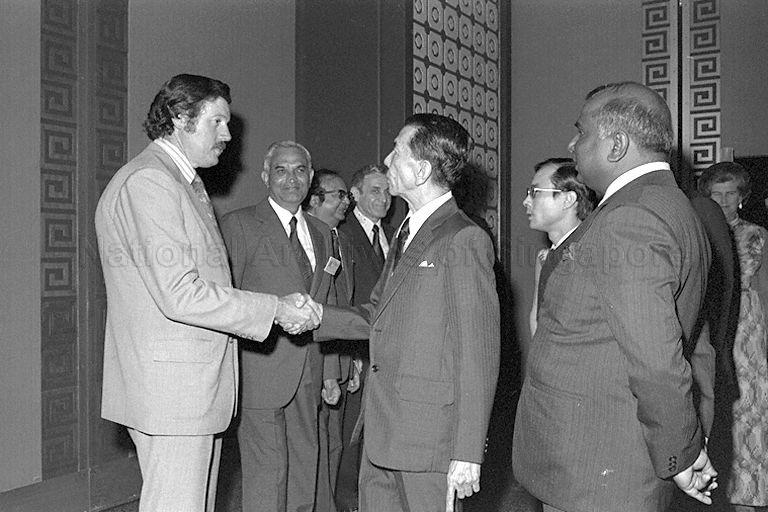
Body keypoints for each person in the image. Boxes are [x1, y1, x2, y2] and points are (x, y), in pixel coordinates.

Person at [94, 74, 319, 512]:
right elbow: (182, 293)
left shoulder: (179, 182)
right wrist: (274, 309)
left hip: (188, 391)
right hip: (173, 392)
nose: (228, 134)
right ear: (180, 119)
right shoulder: (150, 183)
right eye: (216, 122)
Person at [513, 81, 717, 512]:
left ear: (617, 144)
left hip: (597, 468)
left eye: (581, 132)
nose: (572, 144)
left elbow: (657, 358)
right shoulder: (666, 204)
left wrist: (678, 451)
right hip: (607, 459)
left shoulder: (631, 217)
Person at [316, 113, 500, 512]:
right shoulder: (405, 230)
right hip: (383, 430)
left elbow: (478, 352)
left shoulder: (463, 238)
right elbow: (377, 315)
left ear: (420, 170)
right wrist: (316, 316)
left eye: (396, 151)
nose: (387, 159)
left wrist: (468, 451)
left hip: (429, 441)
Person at [219, 141, 334, 512]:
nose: (291, 178)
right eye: (281, 170)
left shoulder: (322, 232)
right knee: (267, 475)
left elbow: (329, 304)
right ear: (266, 176)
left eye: (300, 170)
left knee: (305, 466)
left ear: (311, 177)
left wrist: (330, 370)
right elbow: (226, 300)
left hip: (310, 369)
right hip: (260, 368)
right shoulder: (240, 225)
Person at [699, 162, 768, 512]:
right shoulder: (698, 233)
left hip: (748, 339)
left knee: (749, 415)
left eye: (731, 194)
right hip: (709, 333)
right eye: (717, 194)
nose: (724, 201)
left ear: (741, 198)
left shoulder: (758, 236)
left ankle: (749, 497)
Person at [334, 163, 393, 512]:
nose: (384, 198)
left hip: (382, 349)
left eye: (387, 191)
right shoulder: (343, 234)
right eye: (375, 191)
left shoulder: (391, 234)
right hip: (358, 348)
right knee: (349, 435)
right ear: (355, 195)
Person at [303, 169, 356, 512]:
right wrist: (327, 373)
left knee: (332, 444)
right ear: (315, 199)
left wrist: (351, 361)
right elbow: (318, 311)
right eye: (338, 195)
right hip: (316, 365)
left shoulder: (337, 239)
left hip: (337, 360)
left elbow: (342, 305)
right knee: (317, 448)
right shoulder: (311, 241)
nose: (346, 202)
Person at [523, 158, 596, 340]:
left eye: (535, 192)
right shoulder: (545, 258)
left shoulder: (593, 256)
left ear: (568, 200)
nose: (526, 201)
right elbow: (536, 320)